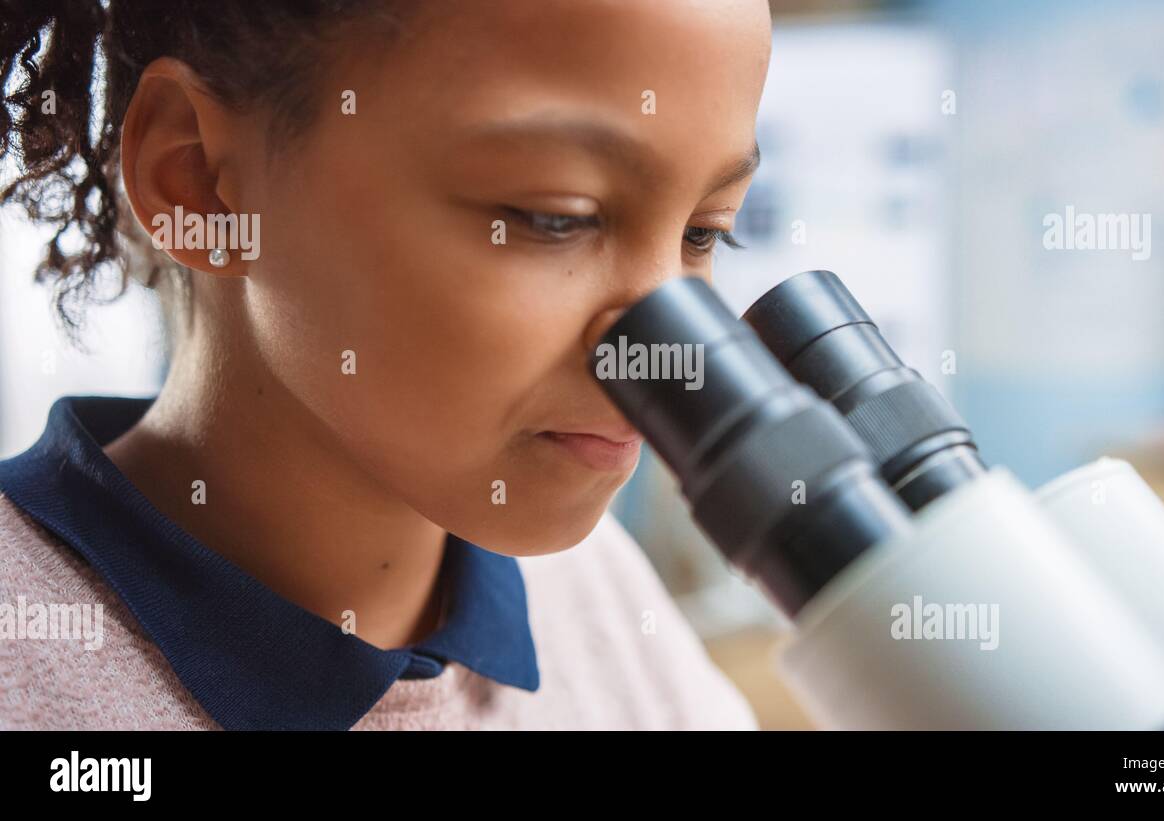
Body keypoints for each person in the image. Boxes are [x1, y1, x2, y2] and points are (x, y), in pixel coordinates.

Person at [0, 0, 770, 730]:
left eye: (705, 233)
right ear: (201, 184)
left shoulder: (598, 599)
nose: (673, 353)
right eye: (554, 217)